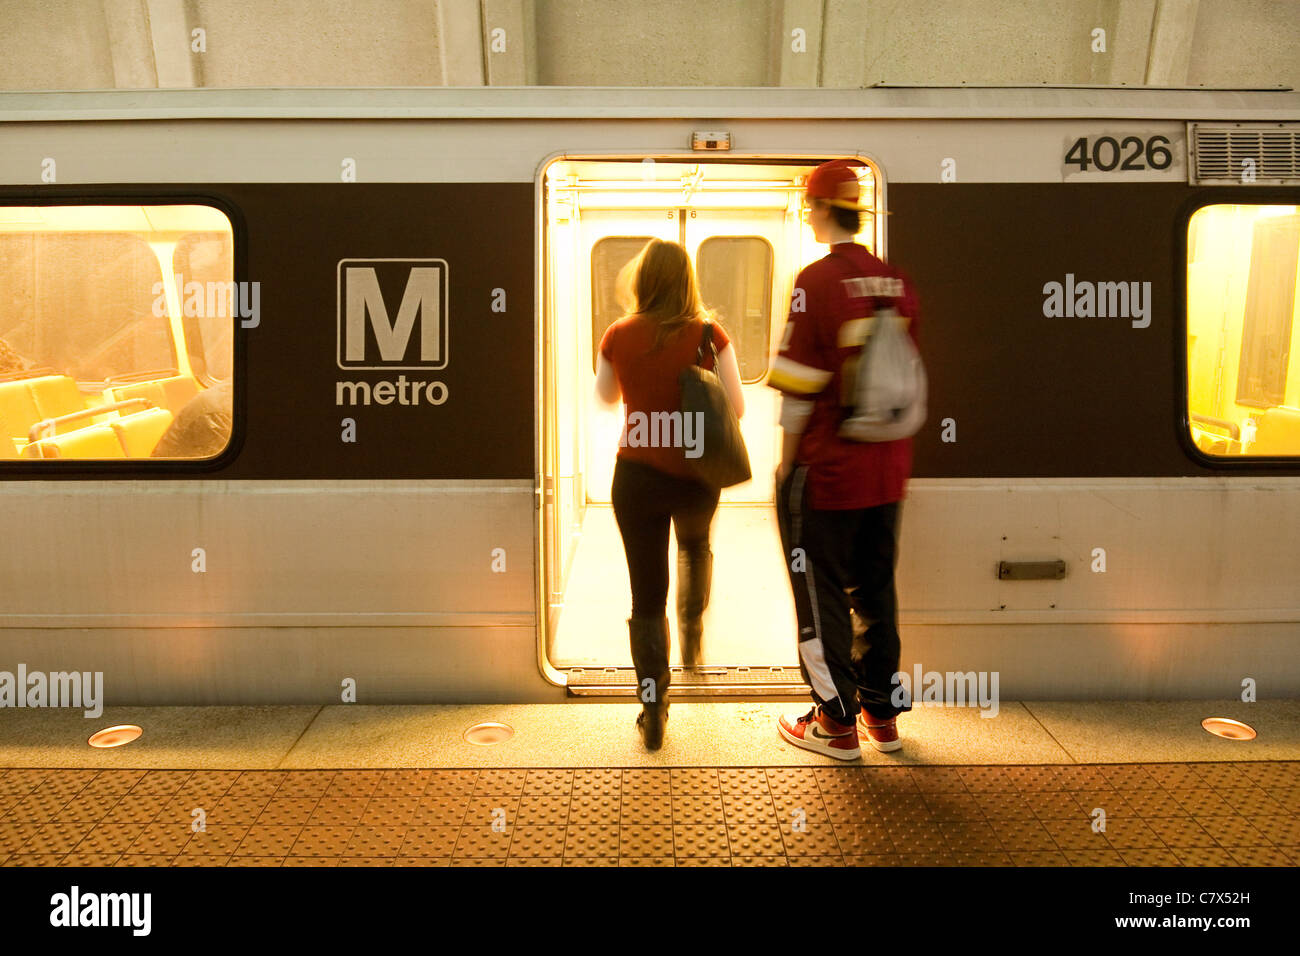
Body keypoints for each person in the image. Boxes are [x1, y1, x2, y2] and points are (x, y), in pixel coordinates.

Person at [767, 159, 921, 760]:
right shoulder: (897, 283)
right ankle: (882, 715)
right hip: (888, 473)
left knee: (819, 591)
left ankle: (834, 721)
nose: (808, 217)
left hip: (828, 473)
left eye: (810, 207)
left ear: (825, 209)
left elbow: (798, 390)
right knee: (875, 588)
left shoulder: (816, 281)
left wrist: (786, 470)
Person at [595, 239, 745, 750]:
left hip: (635, 478)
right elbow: (739, 408)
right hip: (697, 475)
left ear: (642, 281)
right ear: (687, 282)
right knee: (695, 547)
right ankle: (693, 638)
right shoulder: (710, 333)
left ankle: (653, 704)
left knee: (645, 591)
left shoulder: (618, 334)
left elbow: (606, 396)